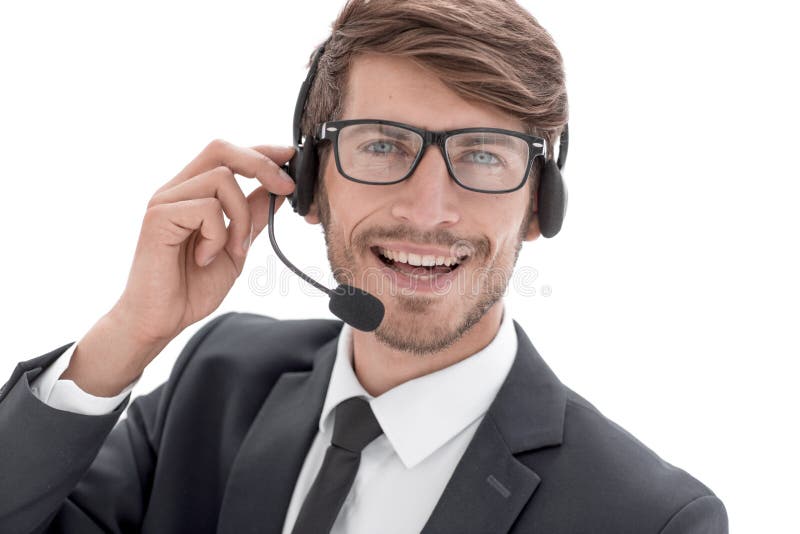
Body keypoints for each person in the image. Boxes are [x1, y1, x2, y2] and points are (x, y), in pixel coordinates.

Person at [0, 1, 728, 533]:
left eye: (482, 154)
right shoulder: (216, 384)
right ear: (308, 183)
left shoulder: (650, 518)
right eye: (383, 145)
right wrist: (130, 333)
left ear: (539, 204)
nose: (428, 210)